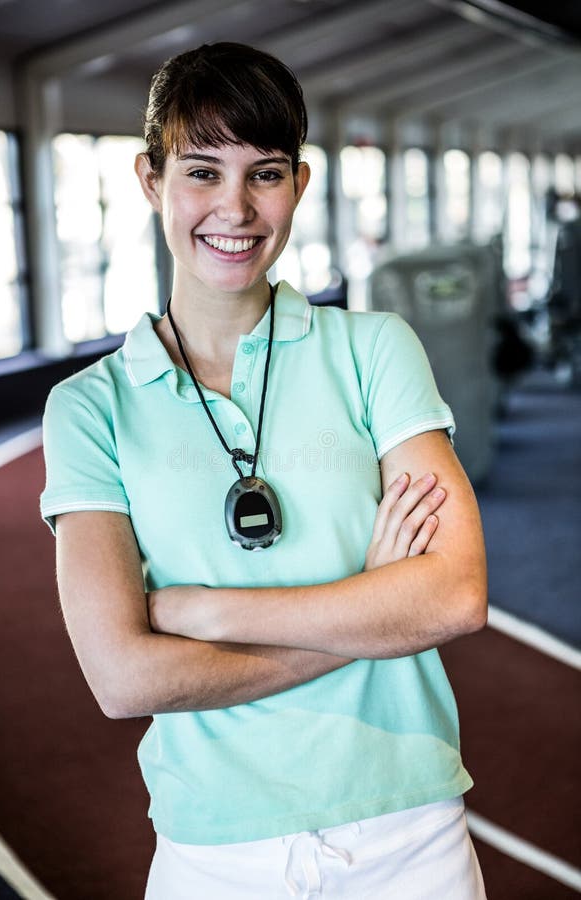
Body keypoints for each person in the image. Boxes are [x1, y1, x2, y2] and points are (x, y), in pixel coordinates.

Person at [40, 42, 487, 899]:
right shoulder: (89, 408)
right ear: (150, 181)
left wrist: (208, 613)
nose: (235, 209)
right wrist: (370, 608)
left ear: (301, 186)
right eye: (202, 171)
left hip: (408, 832)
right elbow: (124, 679)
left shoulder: (374, 349)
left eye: (266, 174)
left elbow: (455, 596)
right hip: (213, 850)